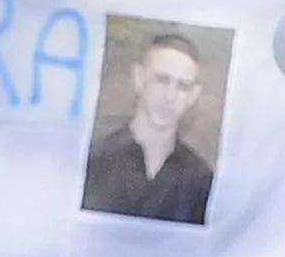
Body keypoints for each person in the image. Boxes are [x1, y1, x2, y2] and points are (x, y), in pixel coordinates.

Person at [83, 28, 219, 221]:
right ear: (139, 78)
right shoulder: (93, 160)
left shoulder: (202, 180)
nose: (170, 97)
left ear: (193, 95)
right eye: (162, 80)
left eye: (183, 86)